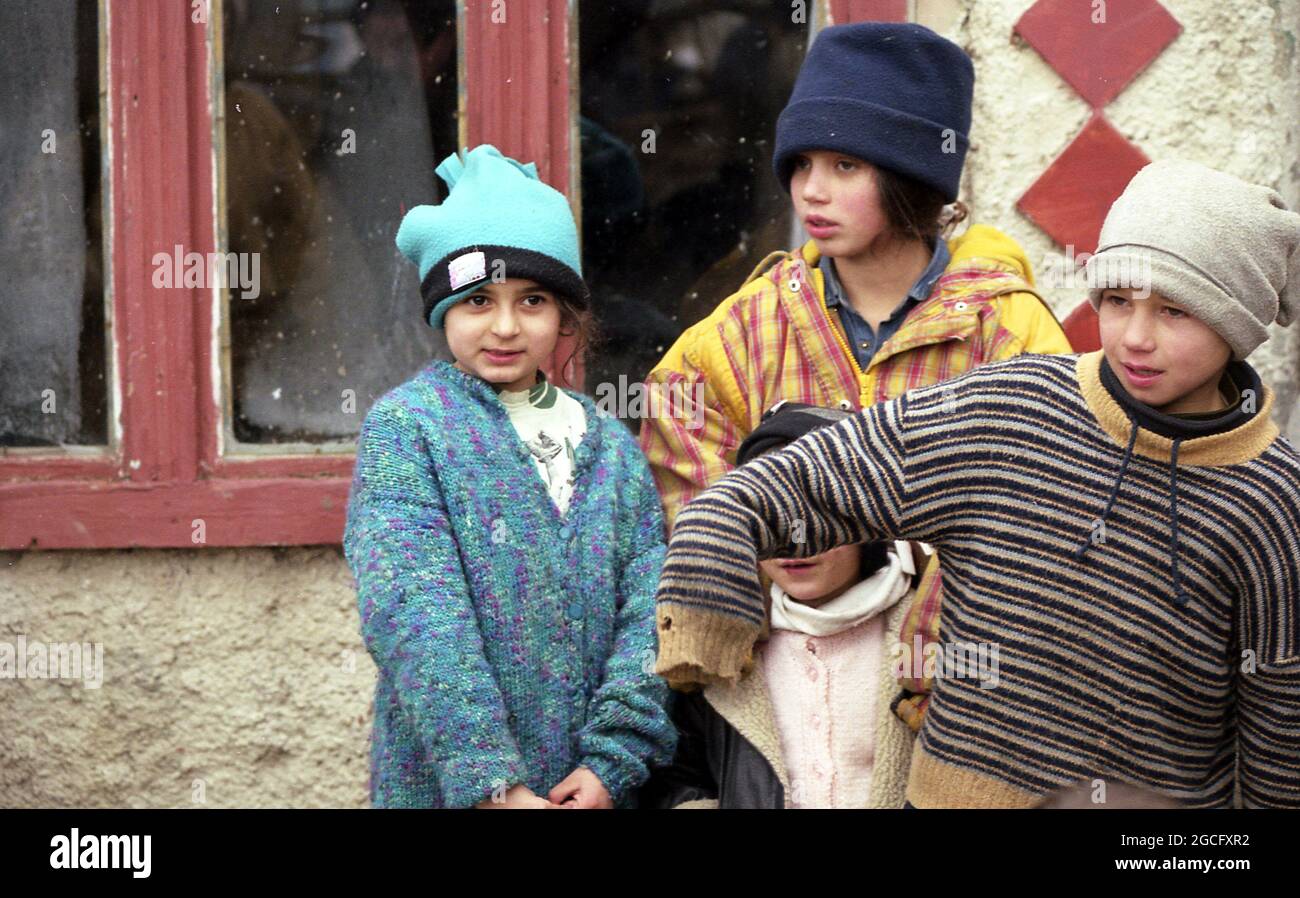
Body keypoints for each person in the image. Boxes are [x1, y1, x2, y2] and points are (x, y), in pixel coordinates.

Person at [650, 160, 1300, 808]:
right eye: (1118, 300)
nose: (1135, 337)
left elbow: (1280, 751)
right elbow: (810, 479)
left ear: (1235, 321)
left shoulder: (1274, 505)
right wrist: (717, 545)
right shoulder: (1012, 410)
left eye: (1175, 312)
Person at [636, 22, 1071, 729]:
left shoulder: (1008, 333)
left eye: (845, 167)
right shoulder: (744, 331)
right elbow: (686, 467)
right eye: (802, 164)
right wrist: (748, 609)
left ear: (910, 178)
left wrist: (931, 639)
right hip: (785, 701)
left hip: (963, 711)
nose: (812, 192)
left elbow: (1044, 513)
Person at [343, 144, 675, 808]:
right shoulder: (409, 431)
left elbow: (652, 613)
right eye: (476, 301)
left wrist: (613, 761)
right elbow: (416, 613)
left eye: (531, 300)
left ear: (564, 314)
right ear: (442, 312)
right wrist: (493, 782)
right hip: (450, 790)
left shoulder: (609, 446)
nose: (503, 326)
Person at [640, 402, 918, 808]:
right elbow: (680, 772)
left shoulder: (927, 635)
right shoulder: (724, 642)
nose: (792, 537)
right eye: (768, 513)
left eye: (819, 510)